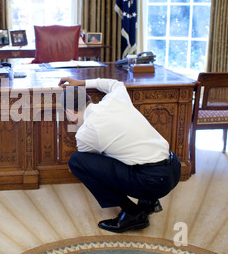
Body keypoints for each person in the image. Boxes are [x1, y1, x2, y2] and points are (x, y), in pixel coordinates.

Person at [58, 77, 181, 233]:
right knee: (126, 150)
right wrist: (82, 82)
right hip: (175, 168)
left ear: (70, 111)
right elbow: (115, 84)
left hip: (153, 182)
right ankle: (148, 201)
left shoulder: (85, 132)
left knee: (77, 162)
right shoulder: (116, 98)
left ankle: (133, 213)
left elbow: (94, 165)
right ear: (89, 98)